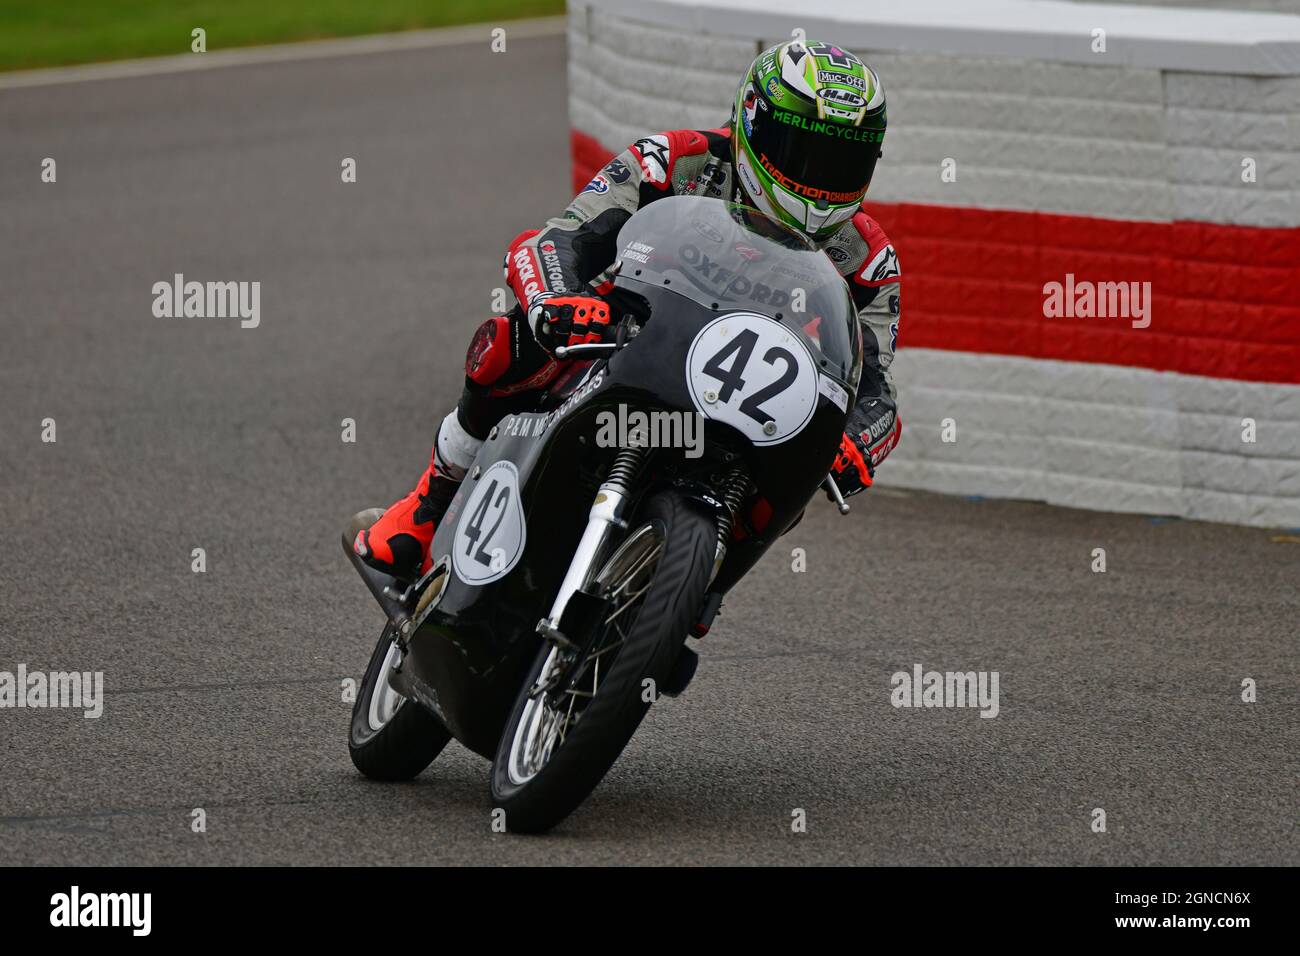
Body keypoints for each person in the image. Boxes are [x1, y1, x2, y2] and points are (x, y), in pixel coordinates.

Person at [353, 38, 904, 582]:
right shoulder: (674, 161)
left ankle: (696, 596)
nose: (819, 180)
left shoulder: (867, 260)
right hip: (631, 342)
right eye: (804, 153)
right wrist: (556, 301)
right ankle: (428, 506)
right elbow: (555, 240)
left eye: (842, 162)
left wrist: (856, 439)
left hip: (747, 409)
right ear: (753, 122)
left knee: (801, 473)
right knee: (512, 342)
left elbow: (876, 391)